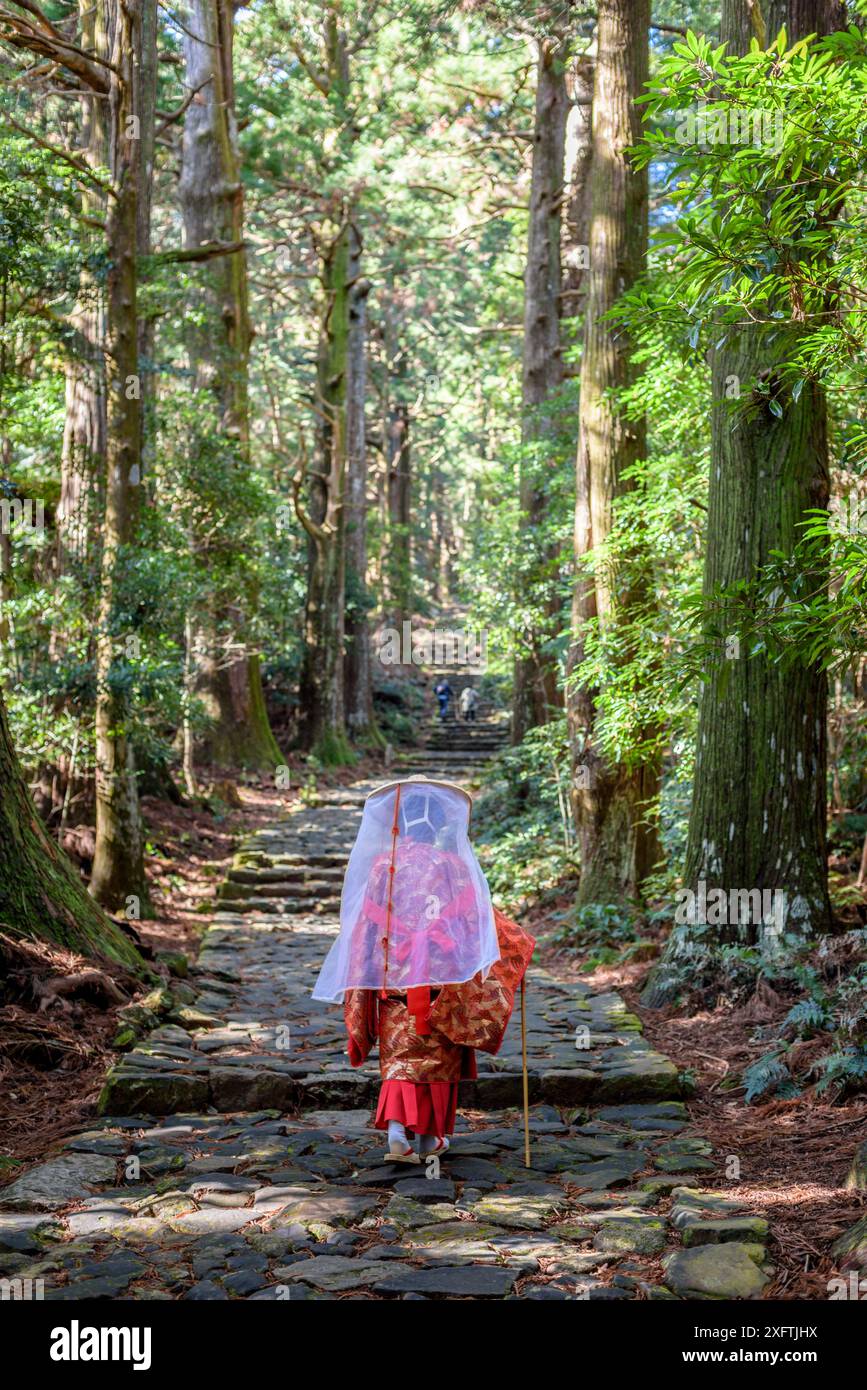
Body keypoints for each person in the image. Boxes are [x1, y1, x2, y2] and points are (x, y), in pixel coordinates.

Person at [311, 776, 535, 1162]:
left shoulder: (384, 868)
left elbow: (365, 926)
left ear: (400, 822)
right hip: (441, 984)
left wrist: (361, 987)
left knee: (400, 1060)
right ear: (440, 826)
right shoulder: (454, 867)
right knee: (437, 1062)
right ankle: (430, 1140)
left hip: (393, 985)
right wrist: (517, 945)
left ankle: (397, 1133)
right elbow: (477, 920)